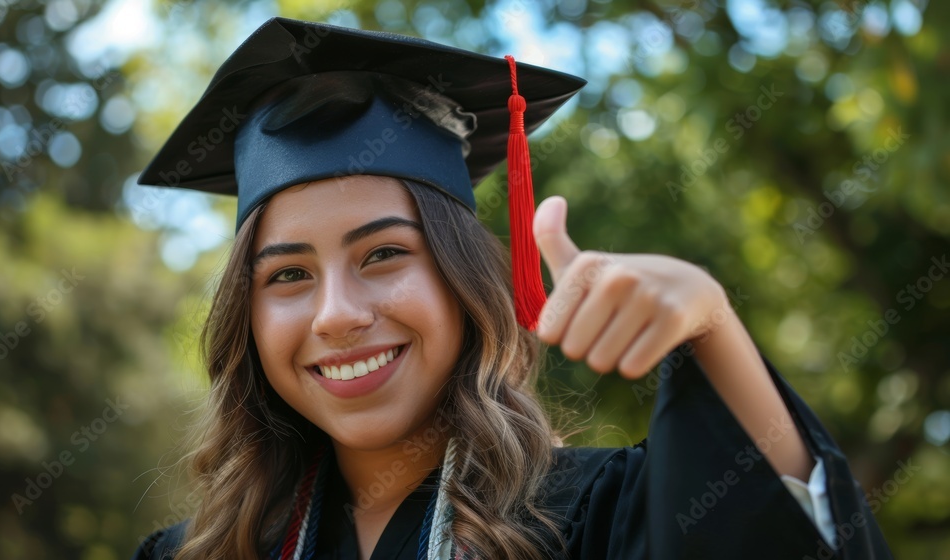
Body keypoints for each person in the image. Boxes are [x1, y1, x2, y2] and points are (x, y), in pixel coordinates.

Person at [131, 16, 893, 560]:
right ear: (246, 316)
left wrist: (711, 327)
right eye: (289, 274)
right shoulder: (191, 554)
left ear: (466, 279)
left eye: (385, 254)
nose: (337, 315)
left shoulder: (599, 517)